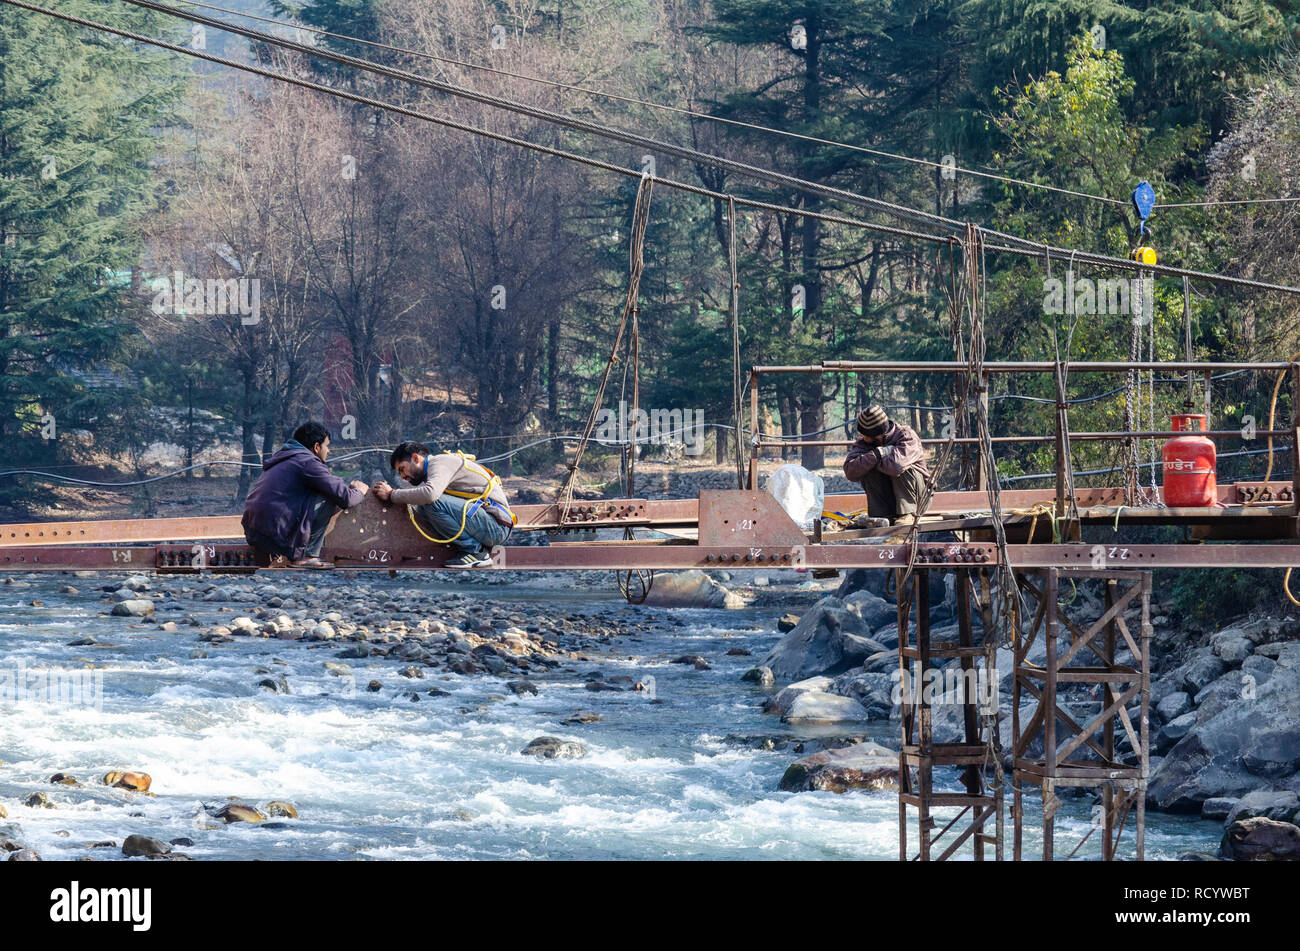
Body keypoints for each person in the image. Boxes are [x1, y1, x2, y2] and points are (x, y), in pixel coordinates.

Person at [242, 422, 369, 569]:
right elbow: (345, 497)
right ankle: (307, 556)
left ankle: (296, 550)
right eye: (327, 446)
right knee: (330, 497)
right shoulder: (307, 462)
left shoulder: (285, 458)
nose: (329, 451)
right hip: (274, 534)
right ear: (316, 447)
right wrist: (360, 491)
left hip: (255, 533)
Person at [372, 442, 515, 568]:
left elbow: (430, 495)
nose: (402, 476)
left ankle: (475, 552)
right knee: (423, 507)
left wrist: (392, 495)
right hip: (489, 525)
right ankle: (467, 548)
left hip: (497, 526)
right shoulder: (437, 467)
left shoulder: (440, 462)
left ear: (415, 458)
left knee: (431, 504)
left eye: (402, 469)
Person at [842, 404, 932, 523]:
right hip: (890, 501)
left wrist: (870, 461)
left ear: (875, 434)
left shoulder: (906, 436)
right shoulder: (864, 443)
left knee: (904, 468)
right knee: (867, 468)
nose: (860, 436)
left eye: (863, 433)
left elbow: (895, 466)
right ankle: (881, 516)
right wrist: (877, 453)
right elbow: (850, 471)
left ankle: (908, 513)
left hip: (919, 499)